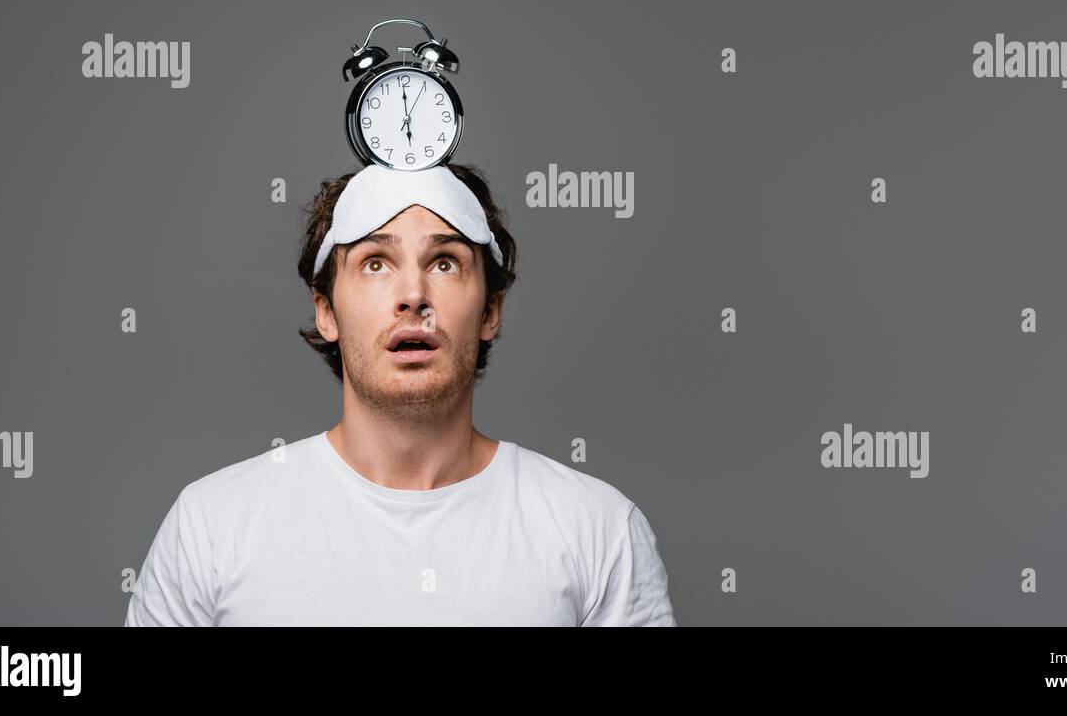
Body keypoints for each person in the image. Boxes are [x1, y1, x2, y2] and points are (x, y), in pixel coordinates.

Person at [124, 161, 676, 626]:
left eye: (445, 263)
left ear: (490, 311)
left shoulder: (600, 531)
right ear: (326, 311)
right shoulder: (211, 526)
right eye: (375, 264)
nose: (413, 295)